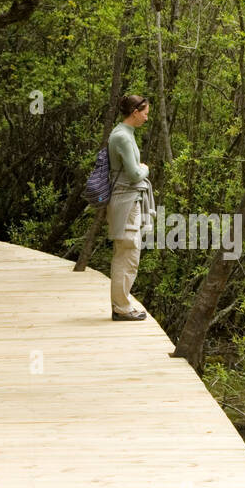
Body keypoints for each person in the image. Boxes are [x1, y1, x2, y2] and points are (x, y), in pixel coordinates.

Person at [107, 94, 156, 321]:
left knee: (128, 254)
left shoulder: (124, 133)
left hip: (128, 200)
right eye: (145, 113)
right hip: (126, 202)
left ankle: (122, 305)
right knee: (127, 255)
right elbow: (135, 173)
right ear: (134, 112)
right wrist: (144, 168)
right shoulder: (123, 137)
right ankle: (122, 308)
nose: (147, 118)